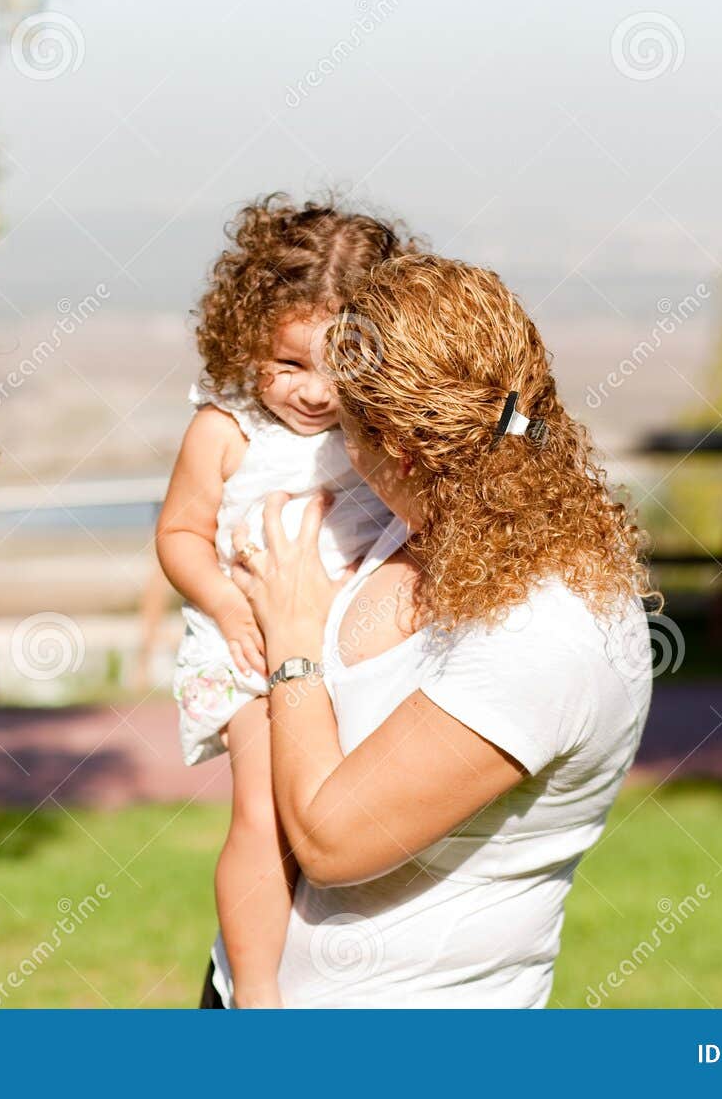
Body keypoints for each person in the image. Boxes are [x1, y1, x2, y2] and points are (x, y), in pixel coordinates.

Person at [225, 253, 655, 1006]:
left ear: (395, 448)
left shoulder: (548, 629)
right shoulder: (420, 515)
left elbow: (331, 839)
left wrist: (293, 645)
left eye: (346, 422)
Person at [155, 195, 406, 1007]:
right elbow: (181, 535)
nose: (313, 391)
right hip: (254, 655)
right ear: (244, 339)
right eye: (287, 363)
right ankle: (254, 993)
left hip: (350, 653)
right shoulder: (227, 431)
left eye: (339, 362)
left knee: (343, 817)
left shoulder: (378, 433)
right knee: (268, 815)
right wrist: (229, 606)